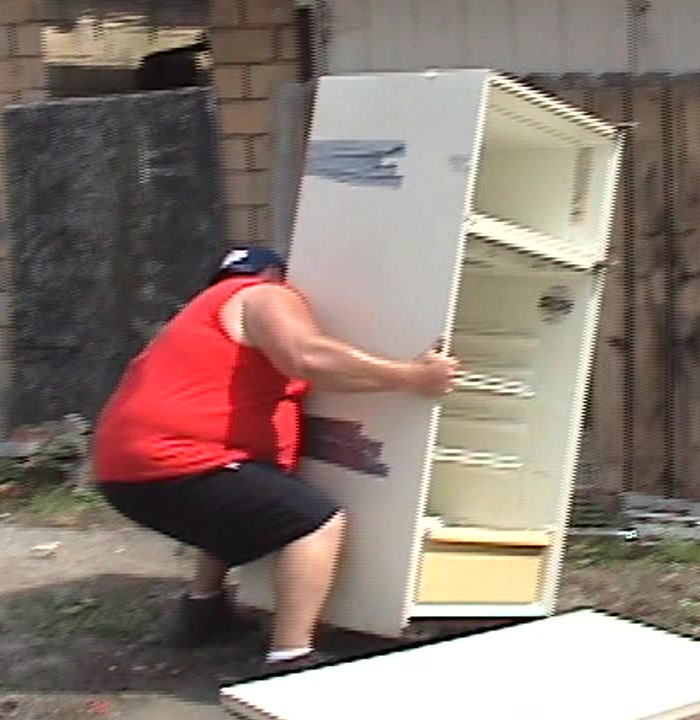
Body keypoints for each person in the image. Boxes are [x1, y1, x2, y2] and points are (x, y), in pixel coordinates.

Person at [90, 247, 458, 673]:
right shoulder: (264, 294)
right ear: (275, 274)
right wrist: (412, 377)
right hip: (173, 461)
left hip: (126, 469)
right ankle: (290, 657)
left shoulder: (202, 314)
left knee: (244, 502)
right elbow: (307, 357)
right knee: (316, 522)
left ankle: (203, 611)